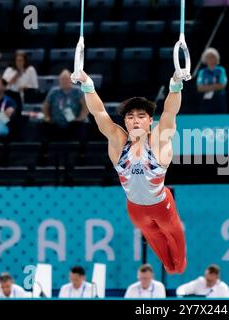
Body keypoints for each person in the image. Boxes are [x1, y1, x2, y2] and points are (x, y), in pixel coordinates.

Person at [72, 66, 187, 274]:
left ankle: (179, 265)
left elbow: (170, 111)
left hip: (162, 206)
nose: (135, 120)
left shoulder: (158, 140)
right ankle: (170, 267)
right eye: (130, 116)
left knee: (178, 263)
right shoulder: (118, 141)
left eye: (141, 116)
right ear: (125, 121)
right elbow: (99, 112)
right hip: (135, 210)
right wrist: (86, 82)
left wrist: (176, 84)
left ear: (150, 121)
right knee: (165, 261)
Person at [42, 69, 88, 142]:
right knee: (44, 126)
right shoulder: (54, 91)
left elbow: (85, 106)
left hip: (74, 122)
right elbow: (46, 105)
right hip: (55, 121)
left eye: (67, 79)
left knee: (82, 126)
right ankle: (45, 153)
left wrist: (81, 117)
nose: (64, 81)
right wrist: (47, 117)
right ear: (59, 80)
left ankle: (81, 153)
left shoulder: (78, 91)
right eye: (62, 79)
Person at [196, 47, 228, 114]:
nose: (210, 59)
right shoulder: (202, 72)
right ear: (205, 59)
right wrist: (215, 86)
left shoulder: (221, 70)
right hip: (206, 100)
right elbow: (199, 88)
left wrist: (206, 87)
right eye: (208, 57)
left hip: (219, 99)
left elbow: (222, 85)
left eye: (212, 57)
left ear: (216, 58)